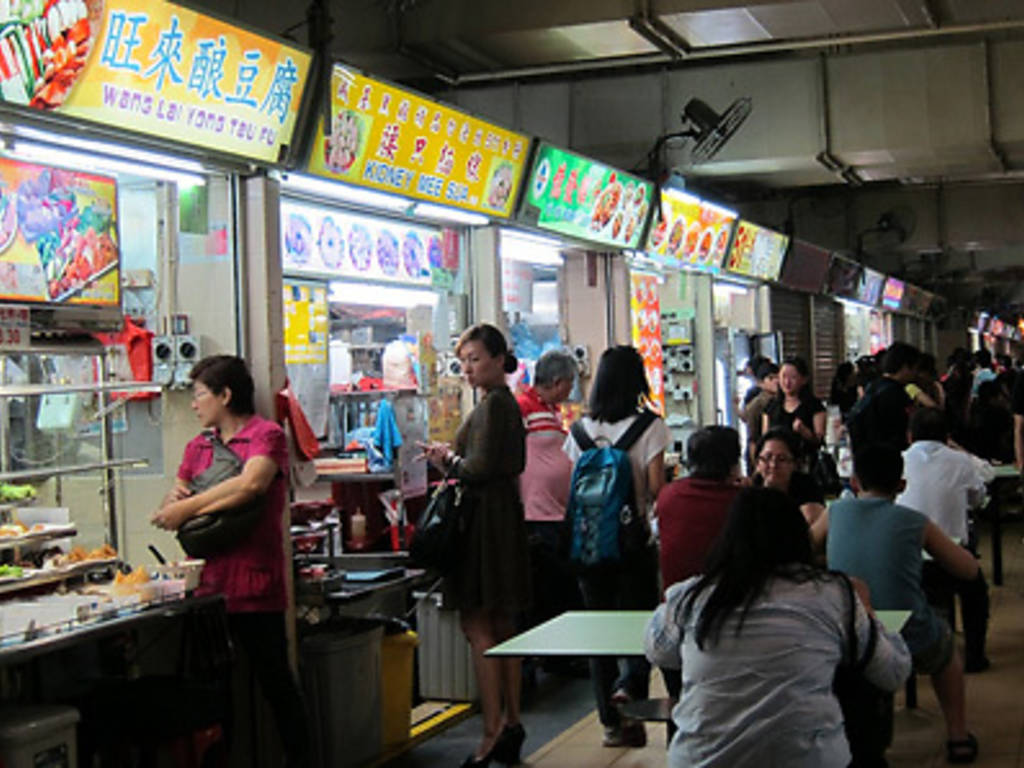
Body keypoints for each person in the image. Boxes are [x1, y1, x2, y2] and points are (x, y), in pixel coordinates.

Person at [645, 487, 911, 768]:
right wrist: (867, 612)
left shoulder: (691, 597)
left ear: (728, 537)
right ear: (798, 537)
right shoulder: (834, 596)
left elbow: (659, 651)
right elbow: (892, 671)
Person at [150, 355, 311, 767]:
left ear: (225, 395)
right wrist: (176, 504)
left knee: (277, 685)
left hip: (256, 587)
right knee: (215, 695)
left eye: (200, 394)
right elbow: (177, 493)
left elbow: (252, 485)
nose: (193, 404)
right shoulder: (197, 447)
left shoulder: (267, 435)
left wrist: (187, 511)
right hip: (208, 589)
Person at [814, 445, 981, 764]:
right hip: (907, 632)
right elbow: (967, 569)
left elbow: (807, 544)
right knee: (947, 653)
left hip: (847, 634)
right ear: (902, 485)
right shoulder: (914, 522)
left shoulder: (835, 512)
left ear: (854, 481)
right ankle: (958, 736)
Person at [419, 323, 530, 768]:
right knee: (502, 622)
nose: (467, 368)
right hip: (504, 518)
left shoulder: (494, 405)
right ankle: (512, 721)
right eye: (463, 360)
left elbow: (479, 466)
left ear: (500, 359)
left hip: (484, 522)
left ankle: (492, 729)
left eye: (475, 359)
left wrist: (448, 459)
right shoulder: (503, 405)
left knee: (477, 622)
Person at [563, 345, 670, 748]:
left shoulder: (579, 431)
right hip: (633, 543)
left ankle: (610, 724)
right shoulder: (651, 427)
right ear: (637, 380)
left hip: (588, 547)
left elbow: (570, 491)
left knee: (599, 634)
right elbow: (658, 489)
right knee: (639, 630)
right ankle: (630, 696)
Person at [897, 408, 990, 673]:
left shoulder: (900, 460)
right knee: (976, 591)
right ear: (947, 436)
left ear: (909, 435)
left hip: (910, 564)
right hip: (950, 561)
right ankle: (974, 656)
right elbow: (978, 498)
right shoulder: (961, 462)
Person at [654, 426, 742, 701]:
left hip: (674, 621)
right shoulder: (740, 502)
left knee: (680, 702)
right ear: (732, 462)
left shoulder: (667, 496)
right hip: (729, 621)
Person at [515, 350, 581, 635]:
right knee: (547, 589)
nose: (571, 389)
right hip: (537, 515)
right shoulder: (522, 407)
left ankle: (562, 655)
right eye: (570, 382)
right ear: (557, 381)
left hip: (558, 512)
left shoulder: (553, 411)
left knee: (560, 588)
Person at [846, 342, 919, 453]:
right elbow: (901, 430)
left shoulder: (873, 387)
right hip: (889, 456)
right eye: (914, 368)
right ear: (905, 367)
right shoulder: (897, 394)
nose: (916, 374)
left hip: (865, 454)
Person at [752, 428, 825, 524]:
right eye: (767, 457)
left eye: (782, 459)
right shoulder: (750, 495)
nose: (773, 465)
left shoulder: (807, 490)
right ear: (758, 463)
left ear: (795, 464)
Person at [762, 356, 826, 463]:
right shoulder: (772, 406)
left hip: (805, 463)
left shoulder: (814, 405)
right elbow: (764, 438)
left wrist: (805, 432)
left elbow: (819, 441)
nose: (787, 382)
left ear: (804, 379)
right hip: (777, 464)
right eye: (783, 377)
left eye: (793, 377)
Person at [738, 360, 778, 474]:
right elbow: (753, 438)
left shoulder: (783, 400)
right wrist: (757, 466)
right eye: (771, 378)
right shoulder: (757, 404)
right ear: (761, 382)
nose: (776, 381)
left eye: (777, 377)